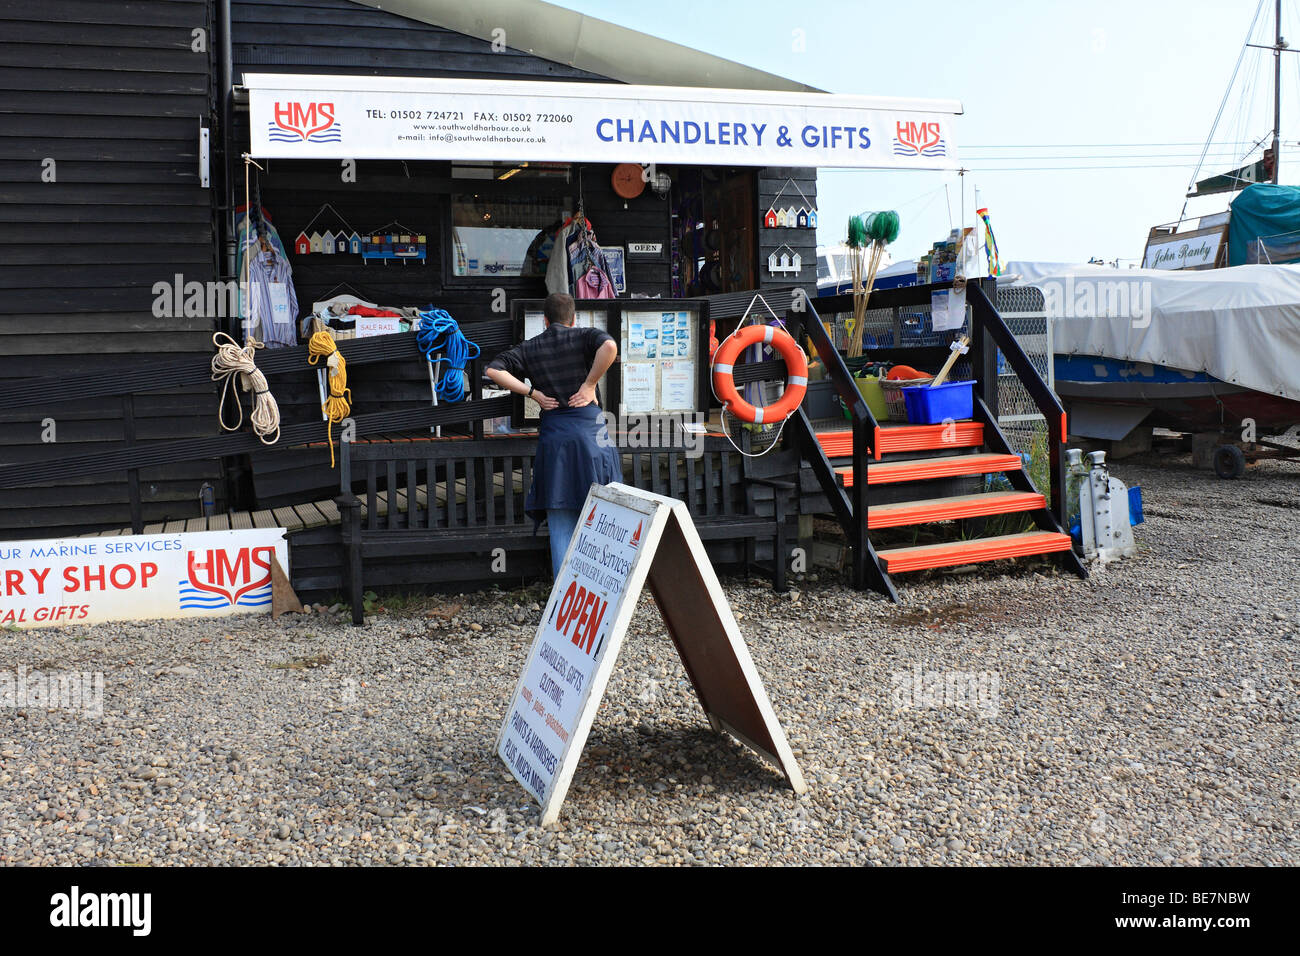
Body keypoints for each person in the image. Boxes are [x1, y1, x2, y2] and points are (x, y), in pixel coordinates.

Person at [485, 293, 620, 581]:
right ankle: (600, 591)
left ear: (545, 321)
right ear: (574, 319)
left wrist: (531, 393)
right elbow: (610, 346)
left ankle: (564, 597)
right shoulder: (585, 336)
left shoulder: (531, 347)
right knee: (603, 516)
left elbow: (493, 370)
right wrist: (589, 385)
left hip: (555, 438)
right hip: (591, 437)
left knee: (560, 521)